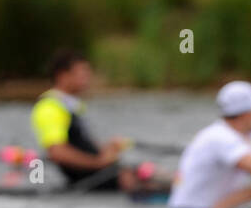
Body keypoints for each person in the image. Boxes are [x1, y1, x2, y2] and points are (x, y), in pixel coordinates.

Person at [30, 50, 168, 194]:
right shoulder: (50, 107)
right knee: (145, 178)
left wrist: (107, 149)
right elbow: (57, 152)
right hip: (85, 179)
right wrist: (100, 162)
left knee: (148, 173)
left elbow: (80, 143)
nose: (88, 78)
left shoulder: (70, 105)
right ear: (63, 76)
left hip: (97, 173)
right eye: (82, 74)